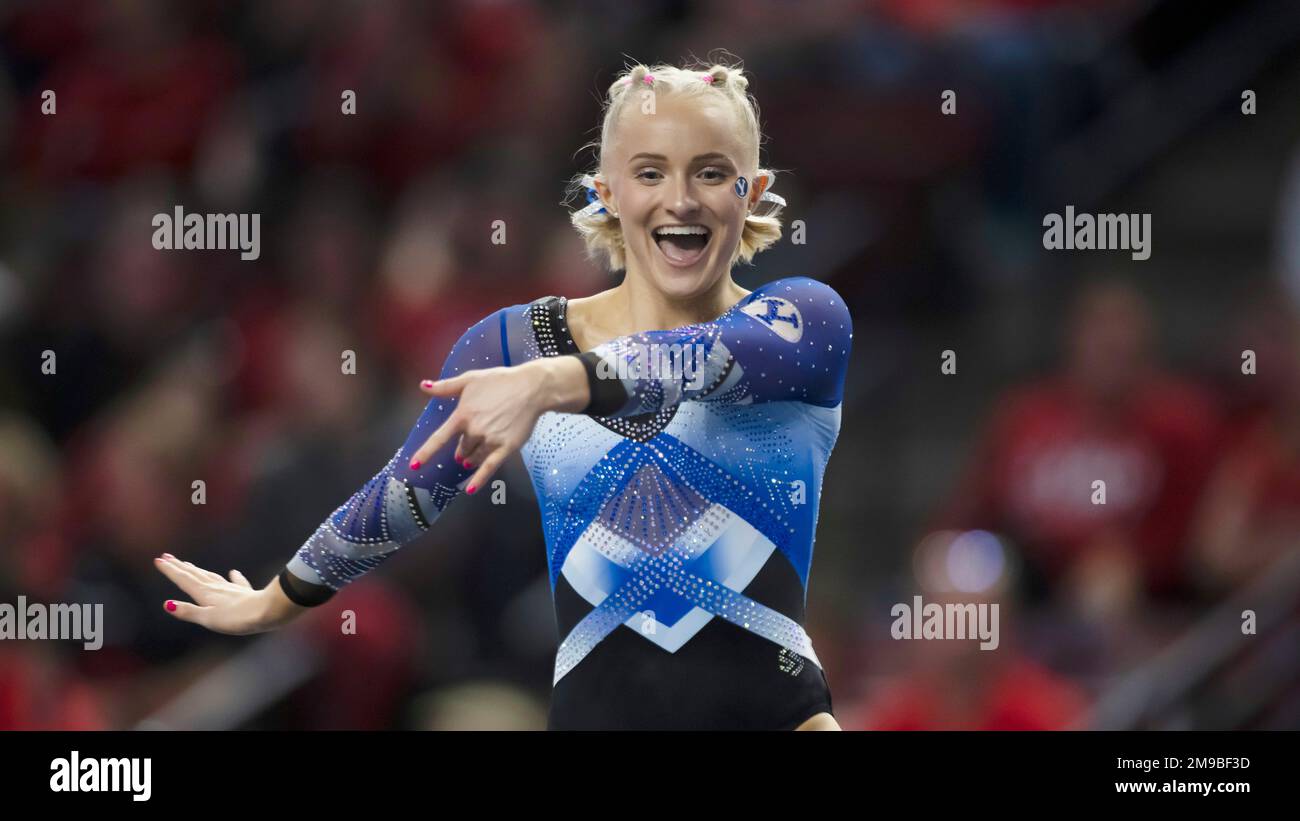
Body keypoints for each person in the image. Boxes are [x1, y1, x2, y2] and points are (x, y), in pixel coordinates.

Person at [154, 59, 853, 730]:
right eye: (650, 172)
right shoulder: (514, 345)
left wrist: (556, 379)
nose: (680, 199)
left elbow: (705, 359)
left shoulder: (803, 320)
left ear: (753, 193)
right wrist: (278, 597)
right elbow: (406, 492)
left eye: (711, 173)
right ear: (606, 193)